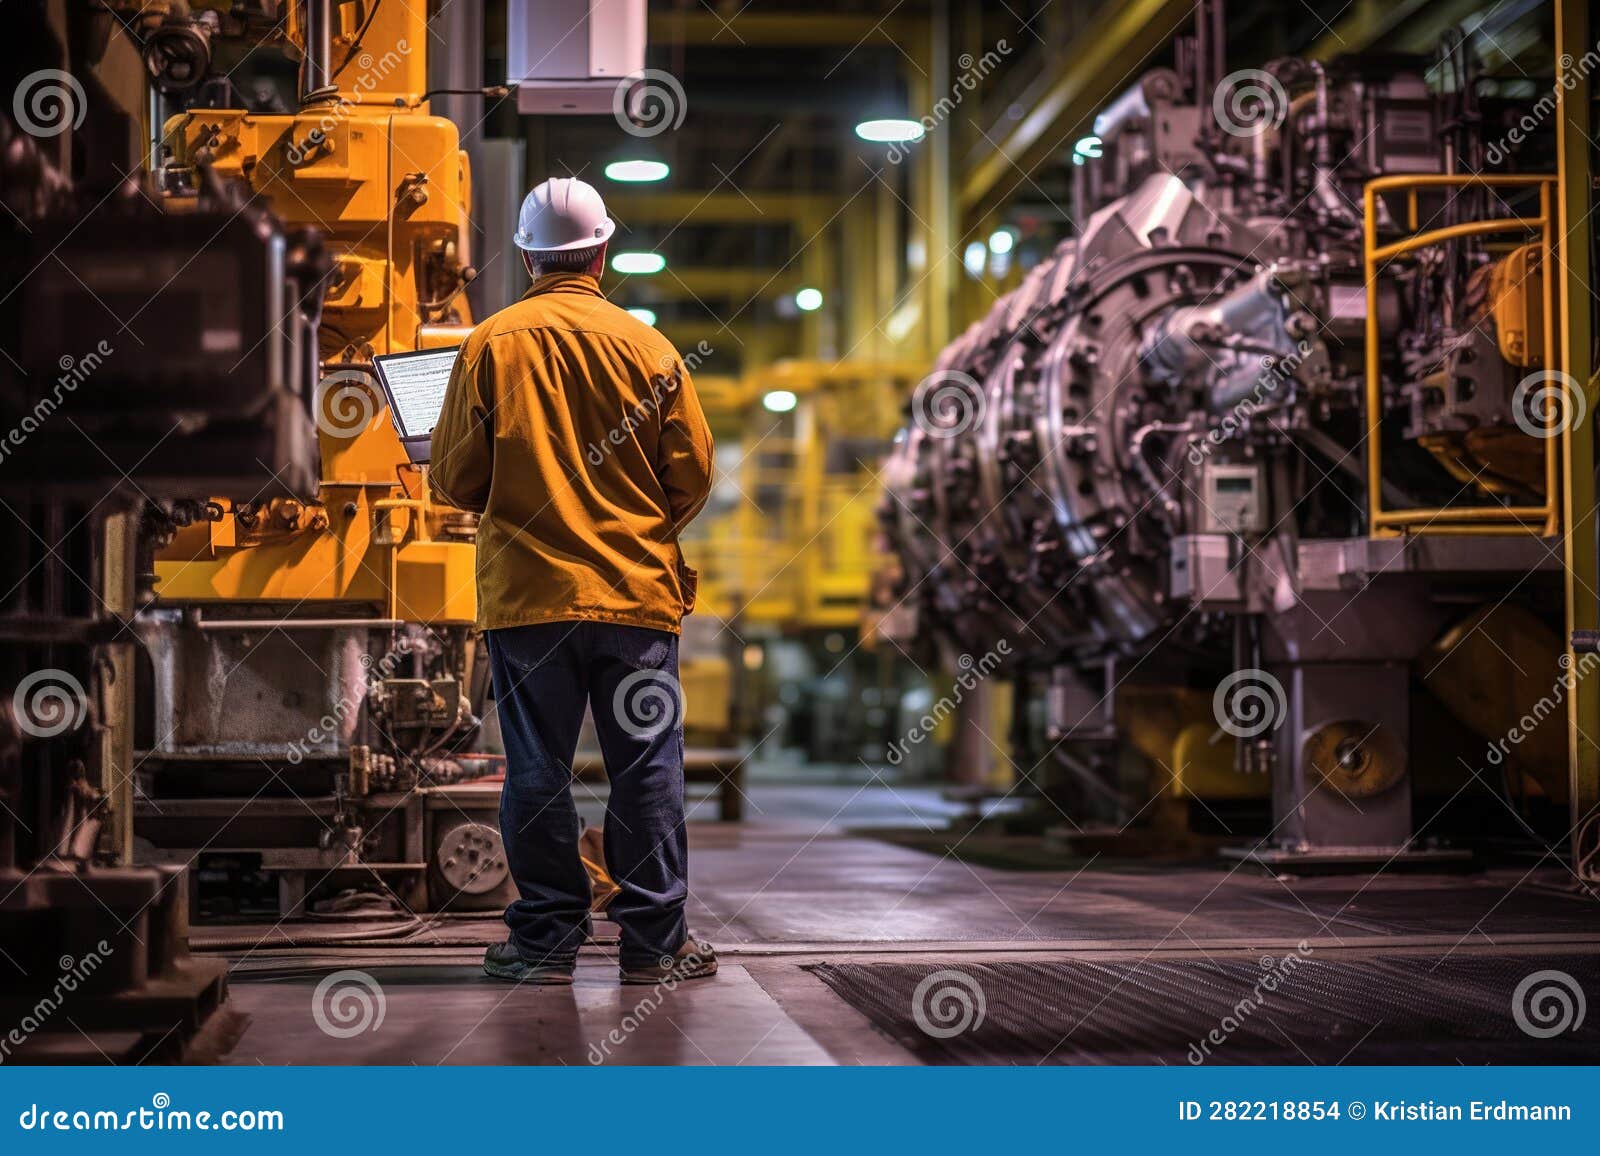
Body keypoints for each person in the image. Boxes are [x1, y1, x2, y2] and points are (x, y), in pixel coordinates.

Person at [429, 177, 717, 986]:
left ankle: (548, 942)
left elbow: (454, 477)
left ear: (527, 256)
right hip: (635, 602)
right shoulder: (650, 348)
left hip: (528, 604)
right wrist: (631, 527)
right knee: (648, 766)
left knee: (535, 770)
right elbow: (690, 476)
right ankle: (655, 945)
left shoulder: (489, 344)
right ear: (602, 251)